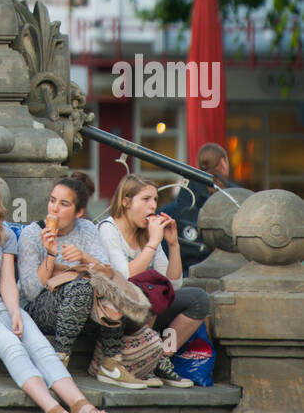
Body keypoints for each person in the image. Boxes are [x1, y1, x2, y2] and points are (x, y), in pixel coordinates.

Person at [0, 162, 110, 413]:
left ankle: (81, 404)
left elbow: (7, 281)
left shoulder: (5, 234)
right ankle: (55, 412)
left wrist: (16, 311)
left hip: (0, 303)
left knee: (40, 345)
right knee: (12, 345)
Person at [17, 171, 146, 389]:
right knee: (83, 288)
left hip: (83, 311)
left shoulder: (86, 229)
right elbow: (29, 292)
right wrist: (50, 254)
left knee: (110, 289)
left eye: (64, 204)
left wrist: (84, 257)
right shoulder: (32, 233)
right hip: (40, 309)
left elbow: (107, 272)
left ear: (79, 212)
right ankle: (59, 359)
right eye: (52, 200)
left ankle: (110, 363)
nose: (54, 209)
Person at [98, 175, 211, 386]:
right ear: (126, 201)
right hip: (118, 310)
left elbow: (173, 285)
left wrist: (173, 244)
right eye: (146, 199)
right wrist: (153, 242)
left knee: (198, 299)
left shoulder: (147, 234)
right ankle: (141, 362)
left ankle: (159, 359)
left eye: (156, 200)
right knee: (142, 295)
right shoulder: (108, 229)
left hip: (147, 308)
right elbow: (123, 277)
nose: (153, 206)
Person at [161, 143, 229, 274]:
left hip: (183, 270)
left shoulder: (185, 195)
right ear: (223, 163)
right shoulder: (234, 195)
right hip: (222, 270)